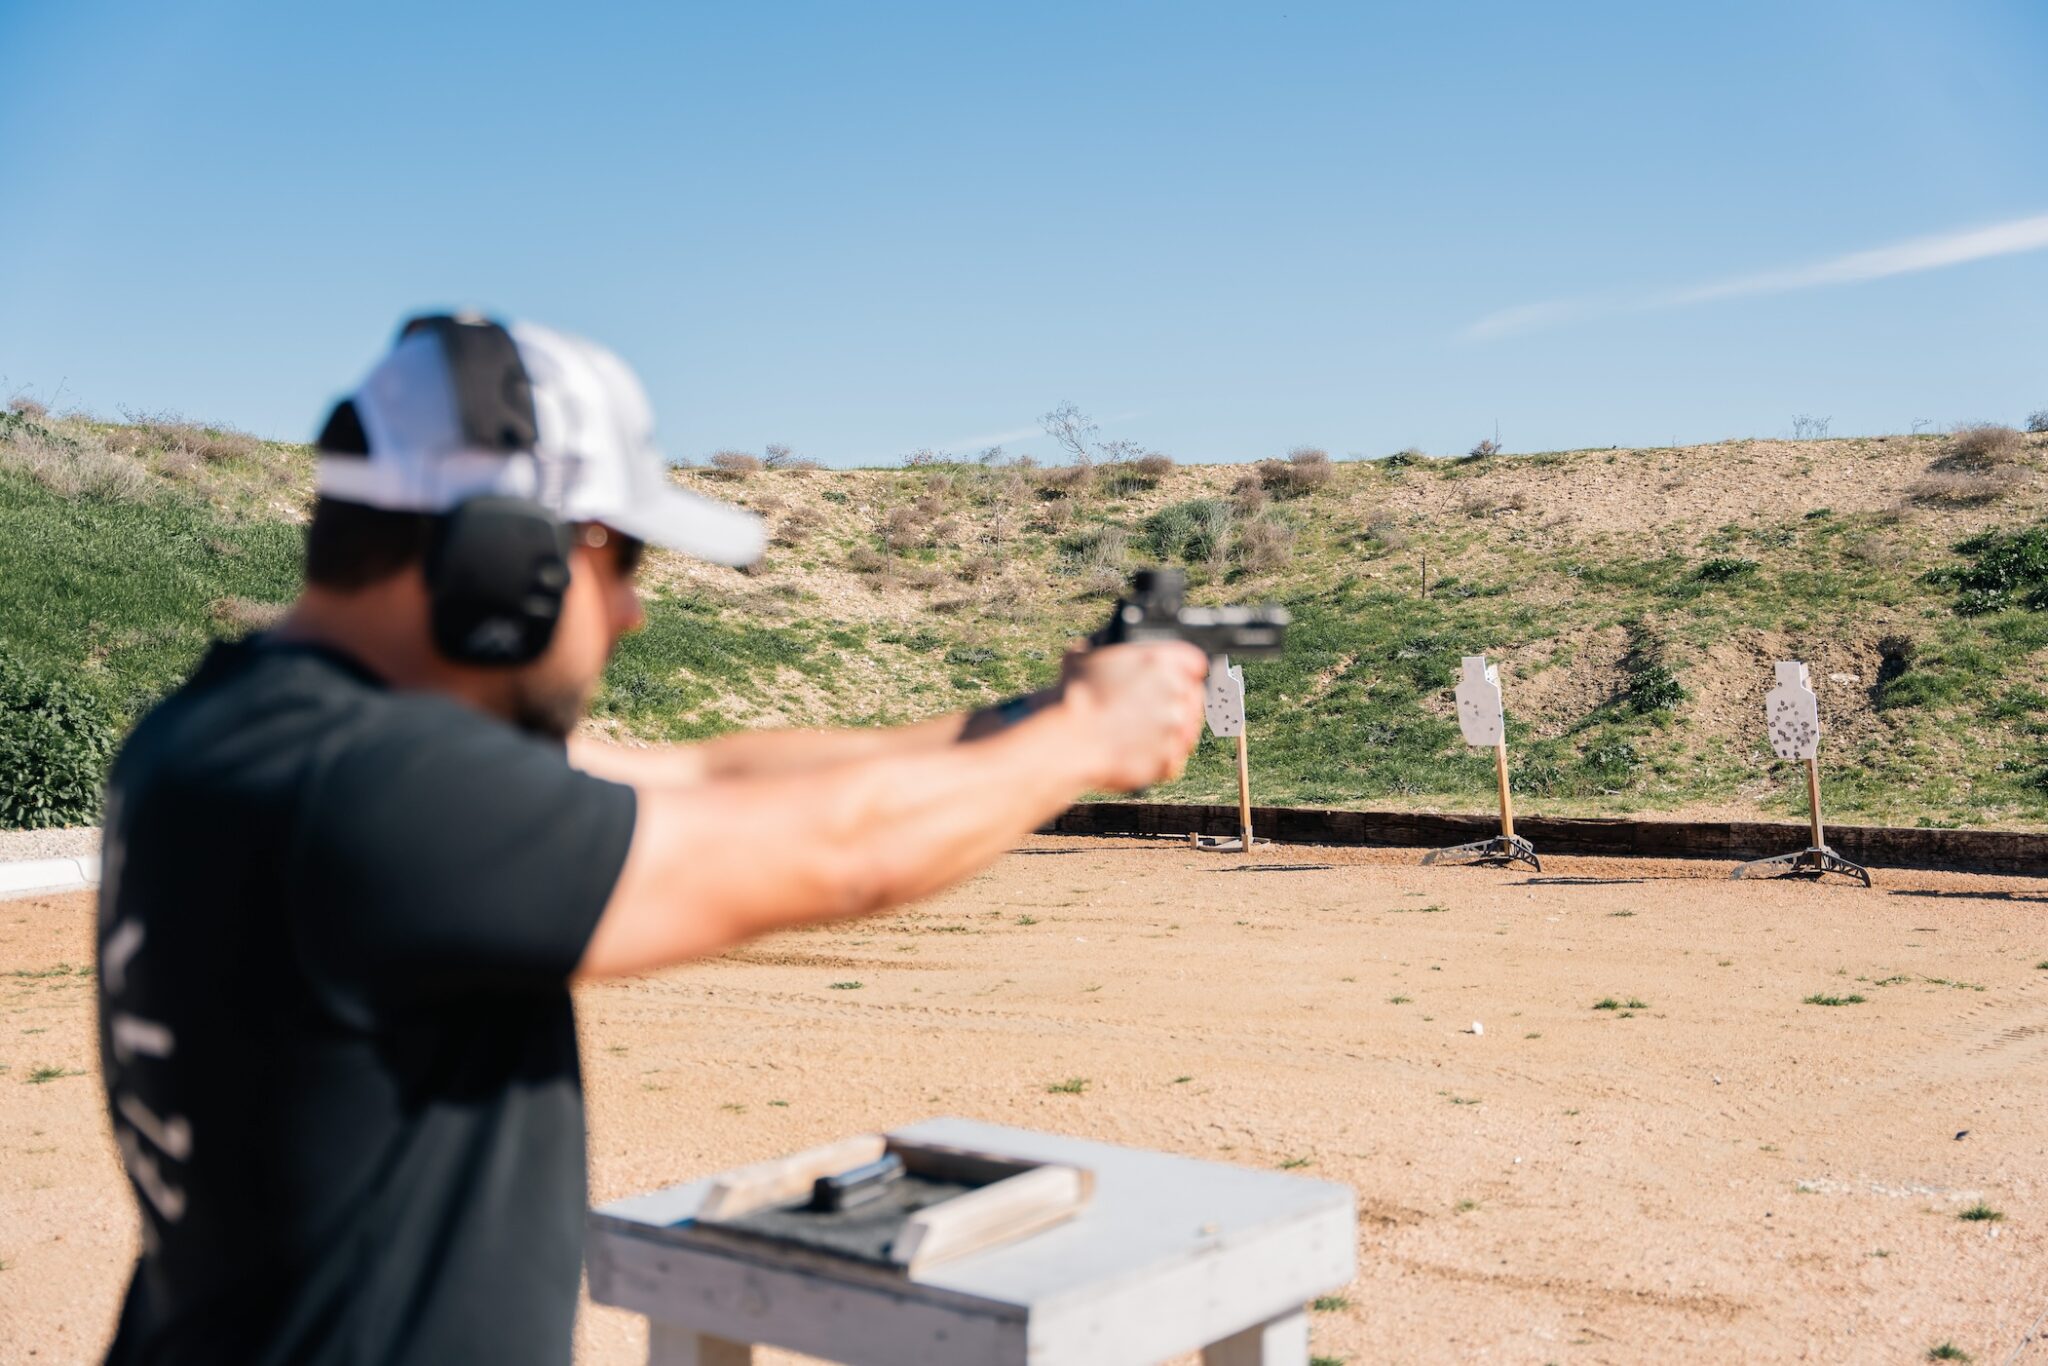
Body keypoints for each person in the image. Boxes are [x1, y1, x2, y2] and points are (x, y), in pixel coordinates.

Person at [94, 313, 1208, 1365]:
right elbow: (845, 854)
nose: (630, 612)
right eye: (619, 560)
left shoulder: (233, 733)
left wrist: (1018, 721)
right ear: (506, 559)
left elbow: (707, 774)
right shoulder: (374, 789)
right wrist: (1085, 744)